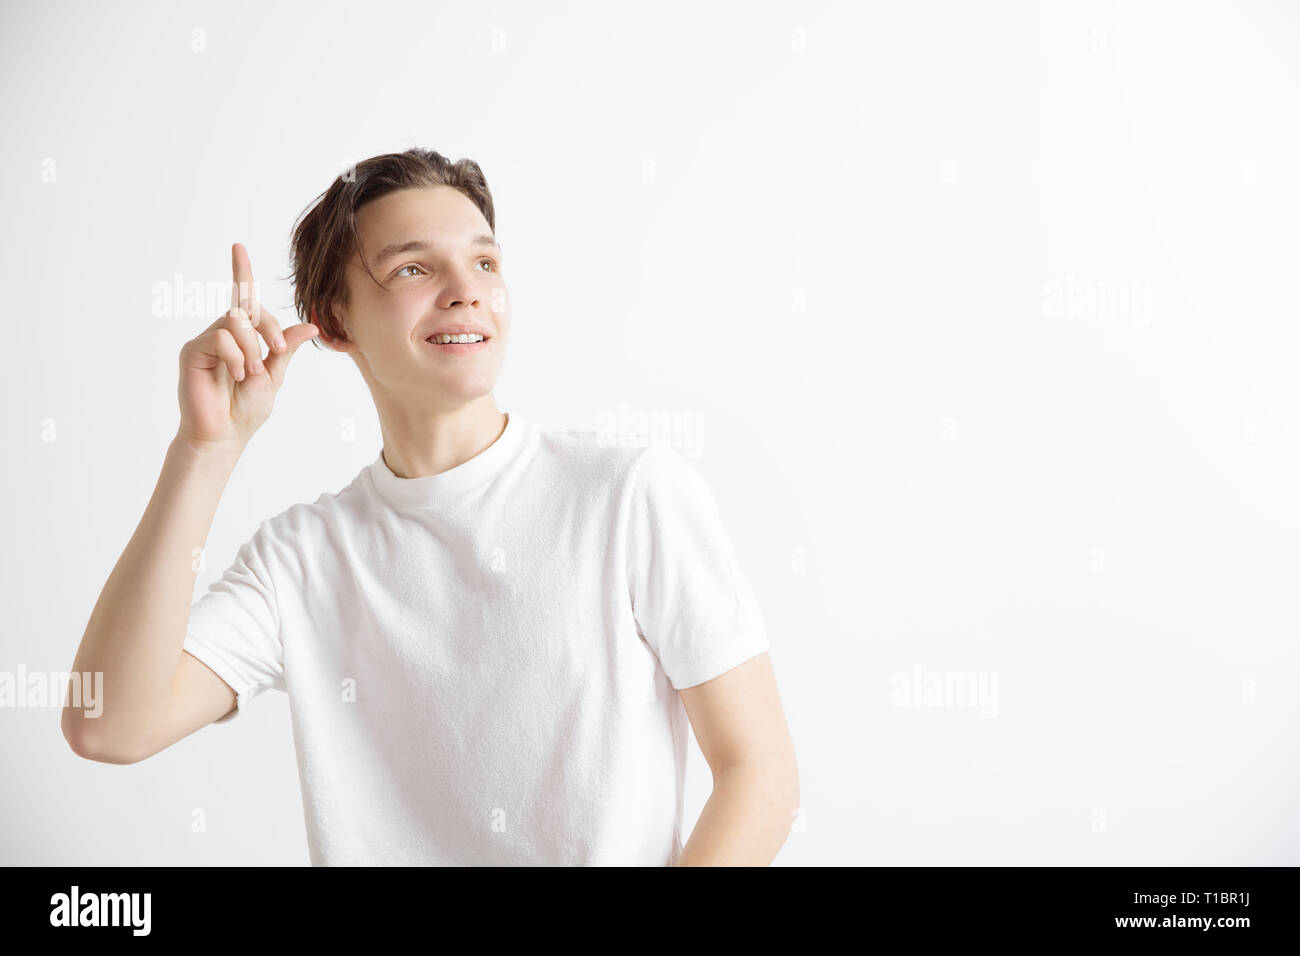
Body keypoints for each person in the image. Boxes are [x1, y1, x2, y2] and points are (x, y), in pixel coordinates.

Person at [61, 147, 798, 866]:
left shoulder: (629, 494)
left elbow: (759, 774)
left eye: (484, 262)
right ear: (335, 322)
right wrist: (205, 451)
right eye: (413, 267)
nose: (466, 289)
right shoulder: (302, 559)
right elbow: (108, 727)